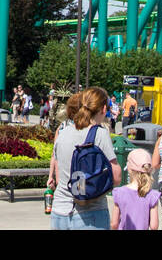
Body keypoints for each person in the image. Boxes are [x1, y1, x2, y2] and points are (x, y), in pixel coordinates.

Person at [46, 88, 121, 230]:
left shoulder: (63, 132)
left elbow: (58, 175)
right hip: (91, 212)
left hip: (60, 211)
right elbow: (116, 177)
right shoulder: (100, 134)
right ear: (104, 109)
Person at [111, 148, 160, 230]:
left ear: (129, 169)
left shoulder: (119, 192)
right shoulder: (152, 195)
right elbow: (154, 226)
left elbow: (114, 224)